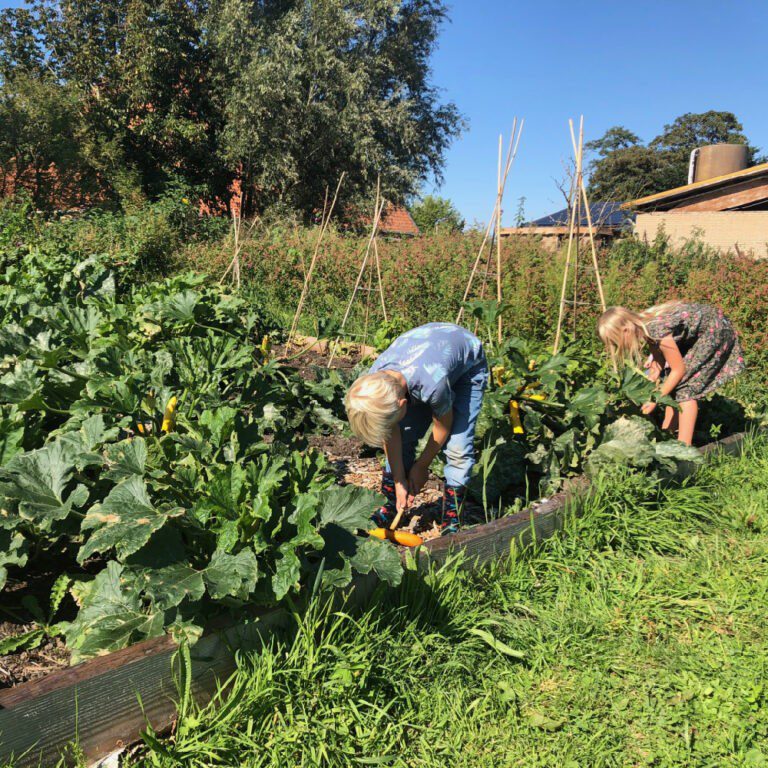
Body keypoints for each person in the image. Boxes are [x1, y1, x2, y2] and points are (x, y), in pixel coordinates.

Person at [345, 322, 488, 534]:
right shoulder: (375, 381)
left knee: (458, 444)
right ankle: (391, 502)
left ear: (403, 403)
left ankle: (452, 515)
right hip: (428, 357)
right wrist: (399, 479)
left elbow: (443, 425)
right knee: (406, 431)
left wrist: (422, 466)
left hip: (466, 366)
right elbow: (391, 432)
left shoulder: (433, 385)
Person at [597, 301, 745, 445]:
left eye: (616, 342)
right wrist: (653, 375)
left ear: (625, 331)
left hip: (715, 331)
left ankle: (684, 449)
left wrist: (654, 399)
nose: (618, 347)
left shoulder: (655, 328)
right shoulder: (644, 325)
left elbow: (679, 370)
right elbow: (658, 359)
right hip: (707, 329)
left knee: (686, 389)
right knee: (670, 384)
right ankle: (668, 435)